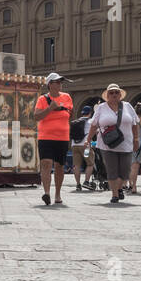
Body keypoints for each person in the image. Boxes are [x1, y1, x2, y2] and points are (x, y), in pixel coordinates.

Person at [89, 83, 138, 203]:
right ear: (107, 95)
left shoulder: (127, 106)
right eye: (111, 92)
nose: (114, 94)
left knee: (125, 171)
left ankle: (119, 187)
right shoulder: (101, 108)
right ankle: (115, 194)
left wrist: (136, 140)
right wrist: (88, 139)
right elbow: (94, 124)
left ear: (120, 94)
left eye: (117, 92)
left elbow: (134, 123)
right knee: (112, 169)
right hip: (107, 144)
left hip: (126, 143)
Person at [35, 72, 73, 206]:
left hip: (62, 137)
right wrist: (50, 109)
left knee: (59, 166)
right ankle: (46, 193)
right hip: (45, 137)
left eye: (60, 82)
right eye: (57, 82)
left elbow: (68, 113)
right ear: (49, 84)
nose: (60, 84)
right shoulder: (42, 99)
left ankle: (57, 193)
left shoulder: (67, 97)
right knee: (46, 163)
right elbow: (37, 116)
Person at [70, 105, 96, 190]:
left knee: (76, 165)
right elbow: (96, 131)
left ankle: (78, 184)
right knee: (90, 163)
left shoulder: (75, 121)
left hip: (74, 146)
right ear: (90, 113)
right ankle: (86, 182)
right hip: (85, 146)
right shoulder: (90, 122)